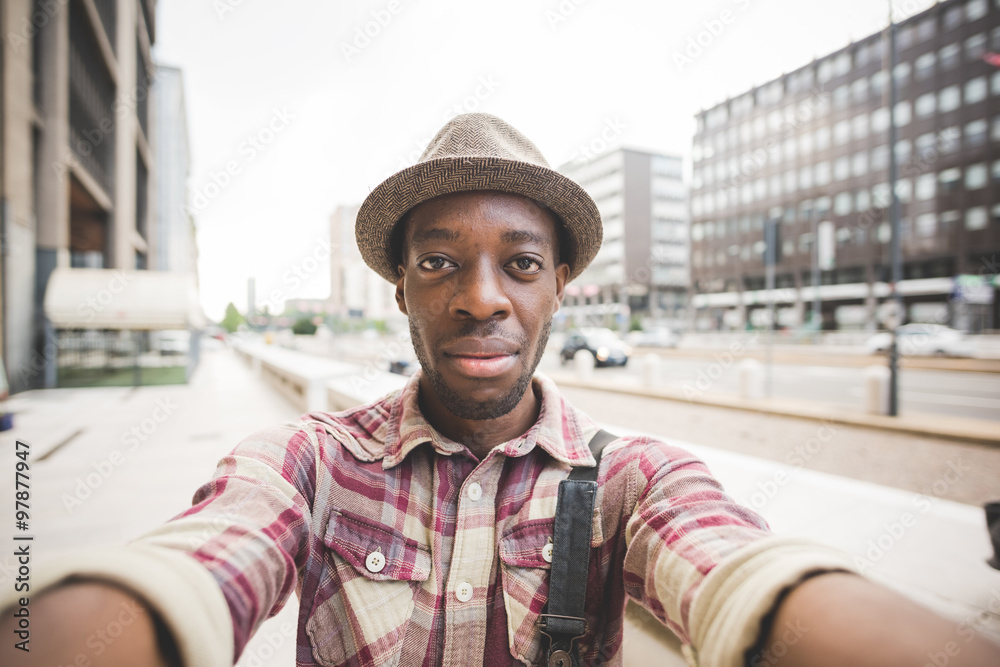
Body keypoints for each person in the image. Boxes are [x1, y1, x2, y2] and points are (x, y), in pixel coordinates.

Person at [3, 113, 998, 667]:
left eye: (521, 266)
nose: (483, 299)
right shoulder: (308, 462)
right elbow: (199, 563)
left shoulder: (632, 480)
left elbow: (736, 570)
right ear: (398, 288)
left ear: (561, 284)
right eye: (440, 264)